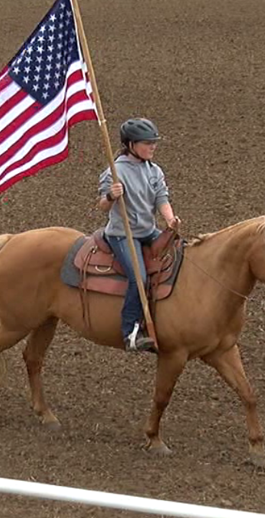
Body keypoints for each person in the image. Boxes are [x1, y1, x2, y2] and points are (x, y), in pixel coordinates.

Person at [97, 117, 181, 353]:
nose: (153, 146)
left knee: (180, 254)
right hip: (123, 234)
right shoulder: (115, 172)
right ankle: (130, 332)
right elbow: (102, 206)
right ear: (131, 145)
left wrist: (170, 220)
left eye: (154, 142)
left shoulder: (154, 170)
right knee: (139, 278)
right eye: (147, 143)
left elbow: (161, 198)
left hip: (147, 230)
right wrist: (111, 196)